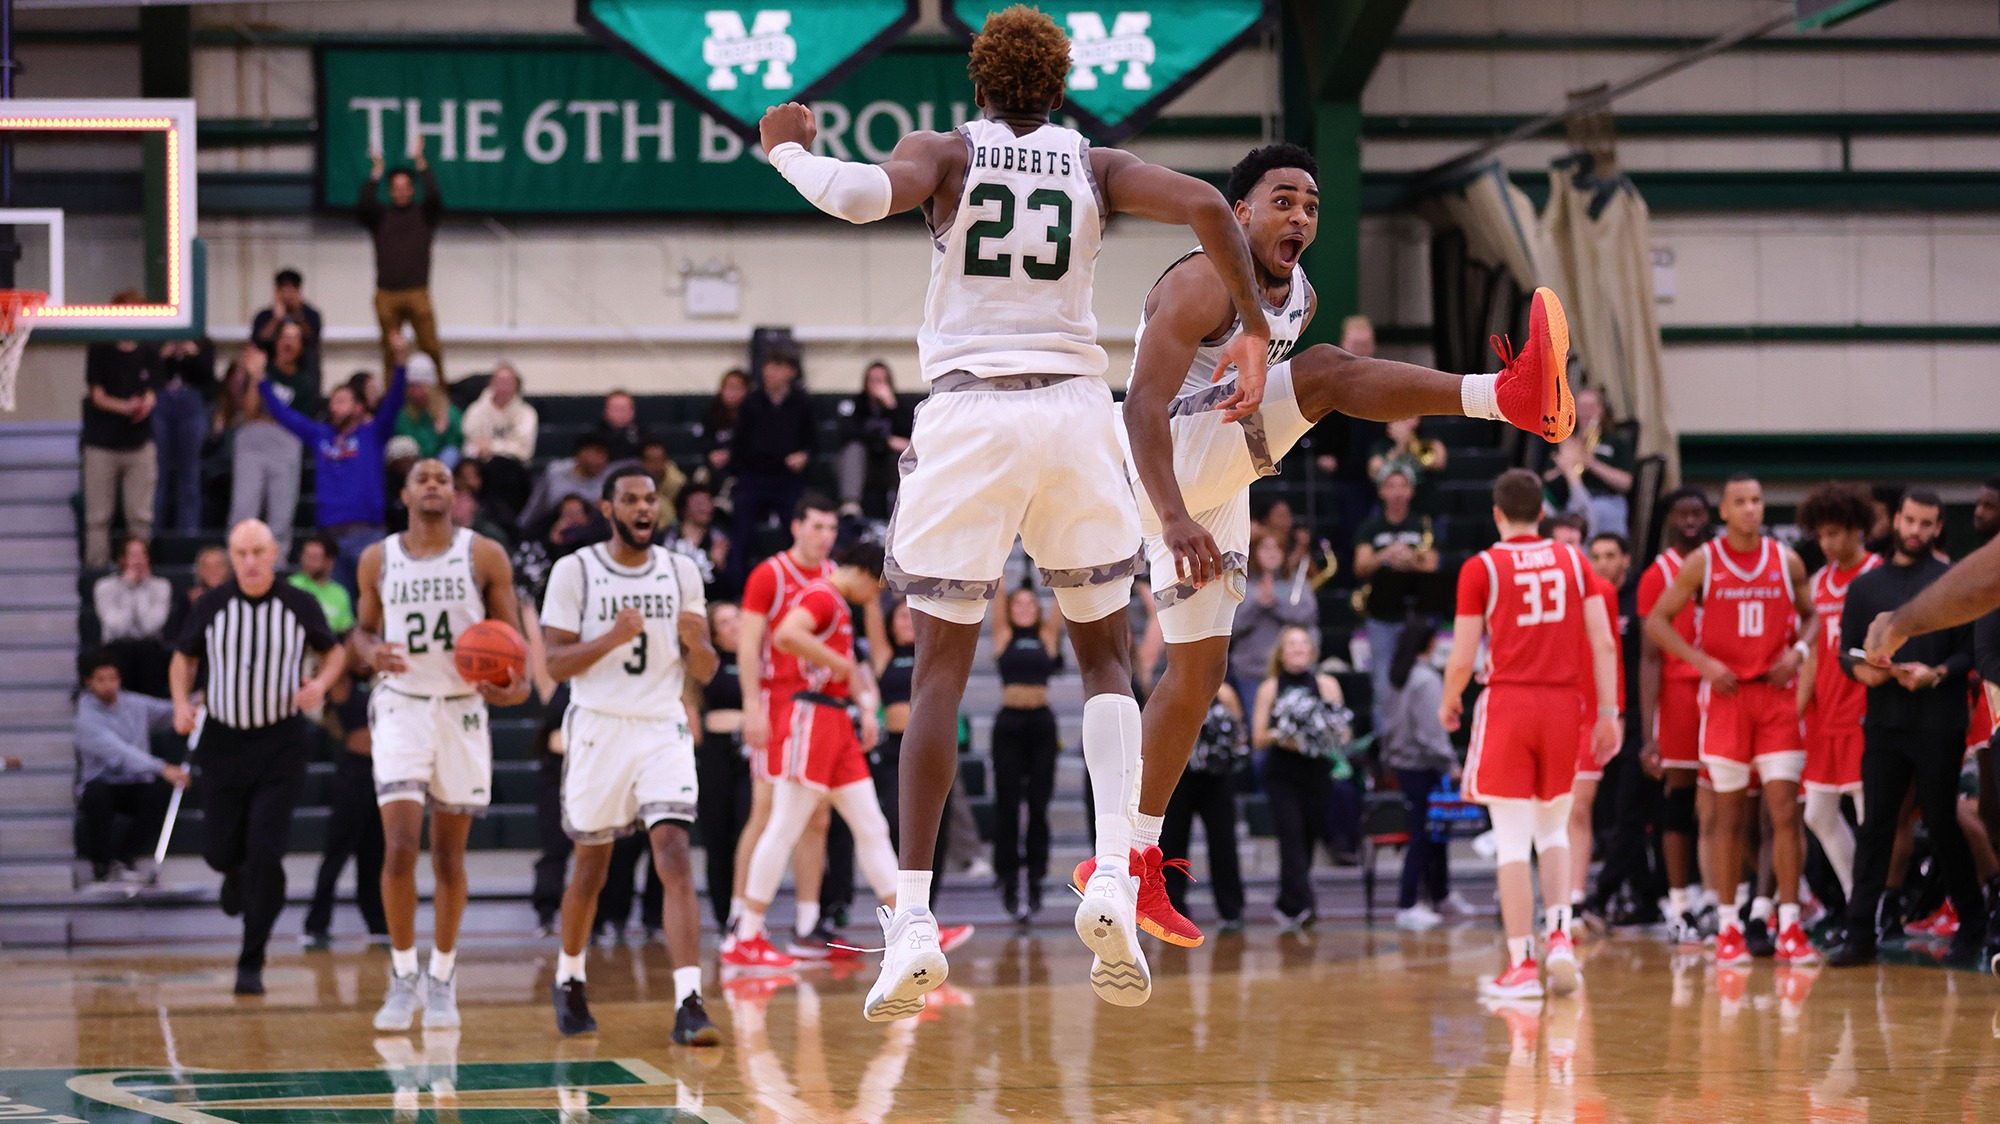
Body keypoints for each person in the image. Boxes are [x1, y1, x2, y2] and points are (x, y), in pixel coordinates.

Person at [759, 4, 1283, 1018]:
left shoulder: (945, 152)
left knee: (940, 667)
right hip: (1073, 413)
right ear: (1060, 83)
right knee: (1105, 660)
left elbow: (862, 196)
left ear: (978, 81)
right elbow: (1218, 215)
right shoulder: (1097, 165)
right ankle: (1117, 882)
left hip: (969, 417)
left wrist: (786, 149)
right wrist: (1252, 332)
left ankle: (910, 919)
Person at [728, 542, 972, 985]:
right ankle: (746, 934)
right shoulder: (822, 596)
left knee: (872, 828)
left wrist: (857, 694)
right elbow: (785, 635)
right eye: (875, 586)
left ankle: (914, 930)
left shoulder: (835, 601)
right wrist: (840, 663)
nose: (874, 597)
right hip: (813, 716)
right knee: (784, 825)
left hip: (835, 722)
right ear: (861, 573)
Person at [538, 467, 723, 1046]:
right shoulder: (576, 570)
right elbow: (554, 664)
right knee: (591, 867)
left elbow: (707, 669)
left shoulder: (682, 570)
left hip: (661, 724)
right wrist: (610, 639)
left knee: (672, 852)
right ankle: (569, 977)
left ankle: (689, 1000)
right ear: (608, 507)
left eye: (650, 499)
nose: (643, 508)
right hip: (597, 726)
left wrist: (698, 645)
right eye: (630, 499)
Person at [351, 459, 528, 1032]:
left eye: (443, 479)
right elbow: (361, 632)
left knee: (449, 856)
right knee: (400, 847)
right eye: (422, 478)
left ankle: (443, 976)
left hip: (461, 709)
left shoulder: (485, 555)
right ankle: (403, 975)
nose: (433, 484)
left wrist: (506, 689)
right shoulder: (378, 558)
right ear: (404, 492)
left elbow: (516, 659)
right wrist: (370, 651)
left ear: (456, 494)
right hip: (402, 705)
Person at [1441, 470, 1618, 1000]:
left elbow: (1463, 655)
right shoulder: (1573, 560)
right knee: (1556, 829)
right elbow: (1604, 643)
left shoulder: (1482, 567)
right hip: (1565, 705)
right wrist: (1608, 712)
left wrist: (1450, 697)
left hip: (1511, 703)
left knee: (1513, 840)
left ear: (1497, 513)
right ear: (1543, 512)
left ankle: (1521, 964)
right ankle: (1560, 935)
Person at [1644, 474, 1820, 970]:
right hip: (1726, 700)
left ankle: (1788, 924)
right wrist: (1701, 662)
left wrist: (1800, 650)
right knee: (1727, 818)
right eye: (1739, 502)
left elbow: (1813, 616)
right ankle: (1727, 926)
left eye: (1757, 500)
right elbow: (1655, 621)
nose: (1750, 509)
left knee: (1784, 812)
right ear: (1723, 511)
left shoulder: (1787, 560)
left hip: (1776, 698)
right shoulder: (1704, 562)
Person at [169, 519, 347, 996]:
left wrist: (319, 686)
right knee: (221, 851)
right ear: (231, 556)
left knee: (267, 851)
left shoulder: (299, 603)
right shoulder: (210, 605)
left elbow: (335, 654)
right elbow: (183, 658)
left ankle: (252, 958)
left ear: (274, 554)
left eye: (258, 552)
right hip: (224, 741)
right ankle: (233, 873)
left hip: (281, 743)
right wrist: (182, 703)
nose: (249, 561)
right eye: (241, 553)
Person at [1830, 490, 1985, 967]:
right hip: (1885, 723)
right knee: (1875, 824)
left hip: (1939, 720)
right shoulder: (1866, 587)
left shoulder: (1951, 583)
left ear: (1939, 528)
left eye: (1927, 523)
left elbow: (1970, 653)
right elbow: (1846, 652)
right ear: (1896, 520)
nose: (1916, 530)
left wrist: (1934, 673)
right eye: (1910, 520)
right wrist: (1866, 672)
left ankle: (1973, 923)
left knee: (1941, 820)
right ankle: (1860, 934)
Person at [730, 496, 840, 962]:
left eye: (831, 528)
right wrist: (751, 707)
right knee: (767, 810)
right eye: (816, 526)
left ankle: (807, 923)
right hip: (777, 702)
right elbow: (748, 643)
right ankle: (741, 919)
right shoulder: (769, 574)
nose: (824, 536)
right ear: (795, 526)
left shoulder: (833, 577)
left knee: (818, 816)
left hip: (821, 707)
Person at [1635, 487, 1715, 944]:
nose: (1690, 520)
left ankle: (1725, 898)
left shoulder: (1721, 564)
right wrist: (1649, 733)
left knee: (1728, 800)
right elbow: (1649, 658)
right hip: (1680, 697)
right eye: (1682, 513)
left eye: (1697, 513)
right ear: (1668, 519)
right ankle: (1680, 902)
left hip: (1724, 690)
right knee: (1680, 801)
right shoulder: (1657, 574)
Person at [1796, 483, 1879, 916]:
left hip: (1864, 709)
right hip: (1825, 711)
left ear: (1856, 531)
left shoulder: (1878, 573)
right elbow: (1810, 655)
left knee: (1871, 818)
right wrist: (1795, 712)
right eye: (1821, 535)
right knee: (1818, 815)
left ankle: (1873, 908)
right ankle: (1856, 899)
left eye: (1834, 534)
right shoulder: (1818, 583)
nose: (1826, 543)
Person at [259, 360, 409, 599]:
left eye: (341, 401)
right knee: (337, 611)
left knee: (376, 604)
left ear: (359, 407)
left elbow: (394, 402)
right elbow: (285, 415)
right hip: (330, 540)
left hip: (367, 534)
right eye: (332, 402)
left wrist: (400, 365)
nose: (333, 407)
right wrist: (261, 382)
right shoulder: (321, 436)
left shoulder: (373, 434)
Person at [1253, 625, 1352, 930]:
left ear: (1312, 650)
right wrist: (1286, 734)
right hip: (1282, 772)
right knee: (1291, 836)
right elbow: (1258, 738)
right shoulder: (1269, 687)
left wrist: (1319, 732)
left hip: (1316, 771)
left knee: (1308, 837)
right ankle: (1305, 904)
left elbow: (1344, 732)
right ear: (1281, 653)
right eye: (1291, 645)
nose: (1297, 649)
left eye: (1302, 644)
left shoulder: (1327, 685)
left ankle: (1288, 903)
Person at [74, 651, 189, 886]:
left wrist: (195, 701)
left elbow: (170, 711)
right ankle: (102, 865)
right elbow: (120, 753)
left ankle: (125, 856)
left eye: (113, 678)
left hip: (136, 782)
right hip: (103, 783)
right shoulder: (85, 719)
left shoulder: (135, 704)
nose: (109, 685)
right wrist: (162, 767)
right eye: (101, 679)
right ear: (89, 682)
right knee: (97, 797)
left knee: (158, 793)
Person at [988, 586, 1067, 922]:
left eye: (1030, 602)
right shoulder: (1002, 634)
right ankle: (1007, 877)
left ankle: (1035, 878)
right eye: (1017, 603)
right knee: (1007, 806)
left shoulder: (1047, 636)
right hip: (1009, 725)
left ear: (1038, 608)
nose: (1023, 607)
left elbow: (1062, 604)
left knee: (1038, 804)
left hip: (1041, 725)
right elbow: (998, 592)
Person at [1378, 622, 1461, 930]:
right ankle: (1407, 902)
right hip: (1421, 768)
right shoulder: (1424, 680)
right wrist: (1450, 762)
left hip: (1405, 764)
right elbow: (1431, 733)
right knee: (1422, 836)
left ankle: (1440, 894)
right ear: (1429, 644)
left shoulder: (1398, 677)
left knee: (1433, 833)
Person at [302, 661, 389, 950]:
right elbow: (342, 653)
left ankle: (378, 923)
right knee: (336, 853)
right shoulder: (341, 682)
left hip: (383, 774)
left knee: (374, 854)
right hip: (354, 774)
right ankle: (316, 923)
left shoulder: (375, 679)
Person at [1564, 526, 1627, 921]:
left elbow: (1612, 653)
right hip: (1548, 711)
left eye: (1576, 544)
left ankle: (1573, 897)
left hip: (1588, 716)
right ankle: (1553, 894)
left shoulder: (1600, 591)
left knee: (1578, 809)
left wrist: (1612, 711)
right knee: (1549, 810)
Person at [1353, 466, 1441, 729]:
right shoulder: (1371, 527)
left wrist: (1410, 559)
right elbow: (1360, 566)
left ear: (1411, 491)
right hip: (1382, 617)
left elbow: (1433, 564)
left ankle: (1421, 737)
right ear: (1381, 491)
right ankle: (1387, 749)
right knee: (1383, 684)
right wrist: (1386, 555)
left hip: (1417, 616)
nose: (1397, 492)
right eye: (1390, 486)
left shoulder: (1421, 524)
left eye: (1402, 486)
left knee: (1422, 680)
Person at [358, 147, 446, 404]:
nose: (401, 191)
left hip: (418, 291)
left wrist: (422, 164)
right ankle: (393, 401)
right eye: (395, 187)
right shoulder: (381, 216)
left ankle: (440, 397)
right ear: (390, 191)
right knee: (391, 352)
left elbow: (435, 199)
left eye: (405, 186)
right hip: (386, 293)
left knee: (430, 347)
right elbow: (364, 207)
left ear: (412, 189)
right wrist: (375, 174)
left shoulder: (424, 214)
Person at [1158, 681, 1247, 933]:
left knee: (1223, 843)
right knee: (1173, 844)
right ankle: (1173, 910)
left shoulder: (1225, 691)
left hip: (1217, 779)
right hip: (1178, 777)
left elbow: (1239, 734)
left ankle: (1231, 909)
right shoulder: (1168, 686)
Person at [81, 295, 160, 568]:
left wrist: (144, 405)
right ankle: (96, 571)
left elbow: (153, 391)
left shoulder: (149, 349)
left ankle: (138, 569)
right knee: (98, 517)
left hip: (139, 444)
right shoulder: (101, 349)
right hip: (102, 444)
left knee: (139, 516)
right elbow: (97, 395)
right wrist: (127, 407)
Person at [726, 350, 817, 583]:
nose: (771, 372)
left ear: (791, 372)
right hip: (754, 475)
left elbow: (813, 442)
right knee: (741, 532)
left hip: (786, 478)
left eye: (778, 366)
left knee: (797, 527)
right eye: (768, 366)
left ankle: (800, 580)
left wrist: (803, 456)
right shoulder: (751, 402)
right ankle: (737, 585)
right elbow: (739, 444)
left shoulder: (803, 403)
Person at [695, 603, 753, 931]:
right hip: (716, 753)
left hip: (751, 752)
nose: (734, 626)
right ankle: (723, 919)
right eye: (725, 623)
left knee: (748, 831)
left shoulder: (759, 659)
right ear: (714, 633)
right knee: (717, 837)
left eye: (738, 619)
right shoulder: (708, 664)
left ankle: (747, 916)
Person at [221, 346, 304, 558]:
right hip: (252, 441)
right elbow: (249, 412)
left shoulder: (299, 377)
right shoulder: (250, 376)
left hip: (285, 441)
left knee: (281, 514)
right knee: (243, 509)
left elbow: (293, 415)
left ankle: (277, 566)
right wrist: (254, 377)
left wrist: (261, 377)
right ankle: (237, 563)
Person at [1228, 532, 1321, 702]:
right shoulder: (1240, 583)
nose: (1272, 553)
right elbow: (1230, 627)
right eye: (1265, 548)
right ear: (1254, 552)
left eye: (1278, 548)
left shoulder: (1296, 582)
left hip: (1290, 673)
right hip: (1250, 671)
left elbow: (1308, 617)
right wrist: (1257, 604)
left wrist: (1275, 603)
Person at [93, 536, 173, 697]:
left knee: (148, 652)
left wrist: (140, 590)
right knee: (122, 651)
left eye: (142, 555)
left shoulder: (161, 586)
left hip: (149, 649)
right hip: (117, 648)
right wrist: (128, 587)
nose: (139, 561)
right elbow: (118, 627)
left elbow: (149, 627)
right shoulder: (105, 587)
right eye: (133, 555)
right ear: (121, 560)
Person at [836, 360, 915, 520]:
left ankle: (906, 509)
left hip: (889, 463)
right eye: (872, 380)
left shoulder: (901, 406)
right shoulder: (855, 404)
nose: (877, 385)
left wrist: (892, 406)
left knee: (906, 456)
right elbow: (849, 432)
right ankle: (850, 505)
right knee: (854, 449)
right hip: (862, 463)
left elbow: (910, 436)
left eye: (882, 380)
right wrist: (886, 441)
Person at [152, 337, 215, 537]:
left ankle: (187, 534)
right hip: (161, 406)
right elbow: (148, 376)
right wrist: (163, 355)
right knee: (157, 476)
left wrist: (193, 354)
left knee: (189, 476)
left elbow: (208, 379)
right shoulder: (155, 343)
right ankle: (152, 536)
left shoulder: (204, 345)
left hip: (191, 407)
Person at [460, 361, 537, 514]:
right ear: (491, 384)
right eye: (499, 381)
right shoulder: (475, 411)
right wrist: (502, 447)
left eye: (508, 382)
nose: (503, 386)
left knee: (501, 468)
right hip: (480, 466)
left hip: (513, 472)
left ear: (516, 386)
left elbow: (524, 450)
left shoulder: (526, 413)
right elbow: (470, 444)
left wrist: (492, 447)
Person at [1570, 387, 1635, 536]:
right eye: (1581, 407)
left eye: (1591, 406)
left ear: (1601, 410)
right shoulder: (1567, 440)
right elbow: (1548, 478)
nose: (1586, 411)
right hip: (1573, 500)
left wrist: (1591, 463)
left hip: (1607, 500)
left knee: (1596, 511)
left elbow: (1626, 483)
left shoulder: (1615, 441)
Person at [519, 433, 613, 532]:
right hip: (553, 530)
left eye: (605, 454)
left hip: (594, 534)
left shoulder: (611, 477)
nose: (601, 459)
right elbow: (536, 506)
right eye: (597, 453)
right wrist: (520, 528)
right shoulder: (555, 473)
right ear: (580, 452)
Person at [665, 483, 730, 601]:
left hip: (711, 601)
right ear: (684, 508)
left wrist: (719, 565)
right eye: (699, 504)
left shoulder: (720, 538)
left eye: (708, 503)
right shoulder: (667, 538)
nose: (705, 508)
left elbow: (734, 585)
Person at [393, 356, 462, 465]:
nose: (415, 392)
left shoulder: (449, 413)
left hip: (442, 466)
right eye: (412, 386)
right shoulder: (404, 417)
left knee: (450, 453)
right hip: (415, 465)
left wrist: (442, 434)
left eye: (419, 387)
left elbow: (457, 444)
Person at [251, 268, 323, 371]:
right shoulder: (265, 315)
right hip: (271, 368)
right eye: (284, 290)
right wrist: (275, 320)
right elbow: (258, 342)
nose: (288, 295)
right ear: (277, 291)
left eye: (292, 290)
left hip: (303, 369)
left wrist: (298, 316)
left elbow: (313, 340)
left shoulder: (311, 314)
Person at [288, 534, 355, 635]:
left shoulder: (340, 593)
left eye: (313, 558)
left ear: (329, 562)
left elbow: (345, 630)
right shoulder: (291, 585)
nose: (307, 562)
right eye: (305, 556)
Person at [591, 390, 651, 462]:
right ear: (605, 412)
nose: (620, 413)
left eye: (624, 408)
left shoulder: (644, 435)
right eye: (616, 409)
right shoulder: (594, 437)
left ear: (632, 412)